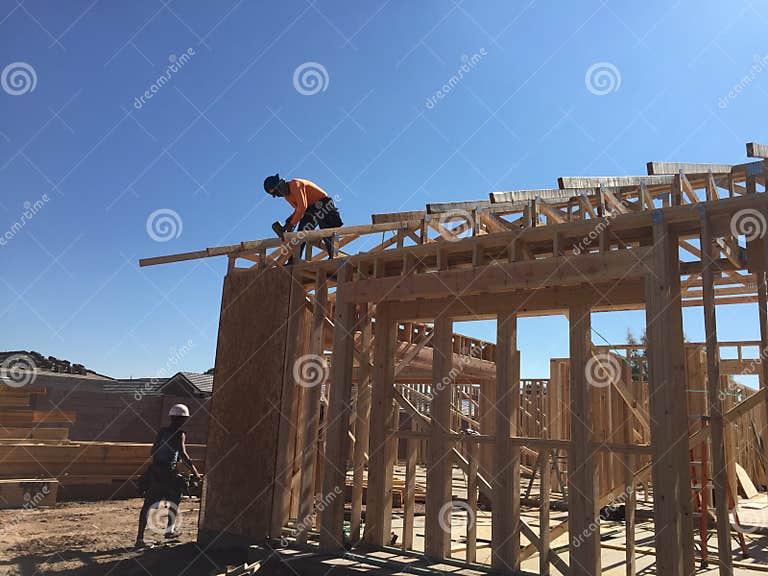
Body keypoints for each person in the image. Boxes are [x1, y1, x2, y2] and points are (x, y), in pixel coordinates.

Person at [135, 403, 201, 548]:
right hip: (168, 473)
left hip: (155, 472)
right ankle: (169, 530)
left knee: (148, 505)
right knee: (175, 498)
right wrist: (195, 472)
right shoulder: (180, 434)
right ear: (183, 419)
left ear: (171, 417)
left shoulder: (162, 432)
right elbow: (183, 454)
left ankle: (140, 539)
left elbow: (153, 451)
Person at [263, 173, 343, 261]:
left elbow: (302, 207)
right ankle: (293, 260)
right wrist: (289, 221)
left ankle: (333, 257)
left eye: (277, 192)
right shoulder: (287, 197)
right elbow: (298, 210)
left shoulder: (295, 184)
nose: (279, 195)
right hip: (311, 209)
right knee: (301, 233)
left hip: (323, 204)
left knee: (326, 229)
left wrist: (292, 224)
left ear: (279, 186)